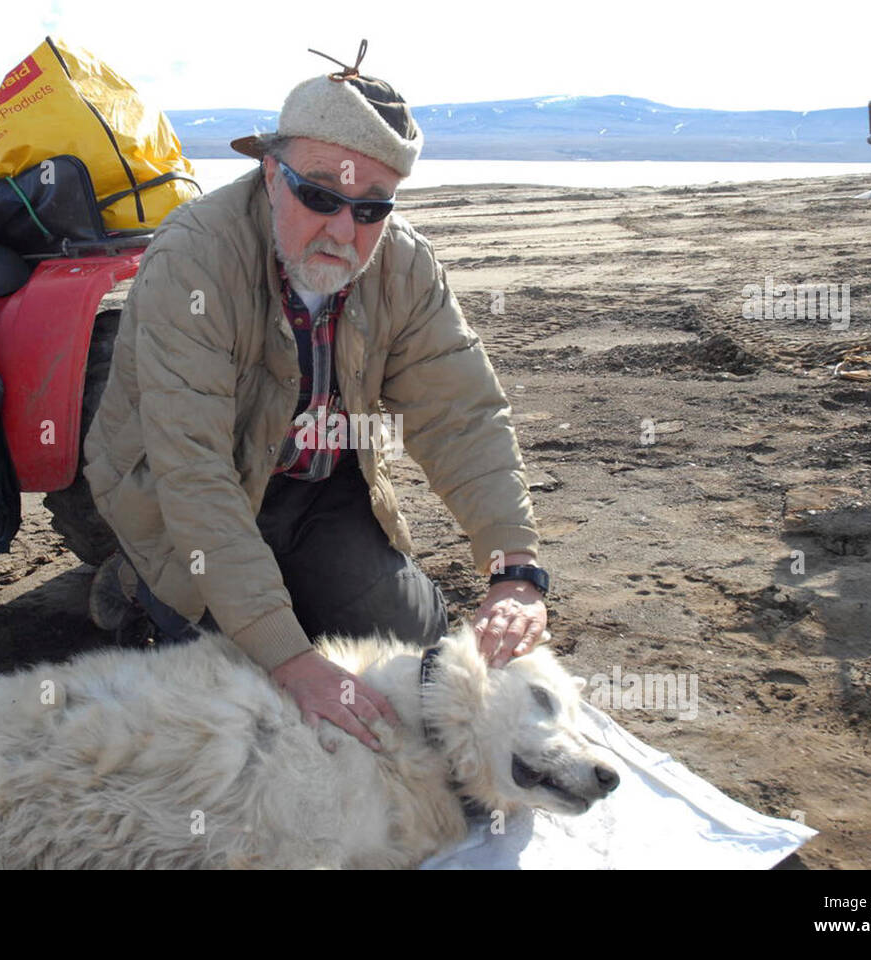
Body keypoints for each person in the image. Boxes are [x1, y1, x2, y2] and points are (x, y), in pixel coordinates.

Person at [83, 41, 551, 751]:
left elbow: (462, 414)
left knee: (409, 643)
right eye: (321, 195)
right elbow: (193, 473)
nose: (343, 228)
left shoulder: (403, 265)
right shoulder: (193, 261)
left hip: (318, 486)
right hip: (186, 500)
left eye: (370, 208)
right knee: (246, 703)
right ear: (272, 174)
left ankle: (276, 591)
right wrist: (293, 661)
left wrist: (513, 566)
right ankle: (140, 586)